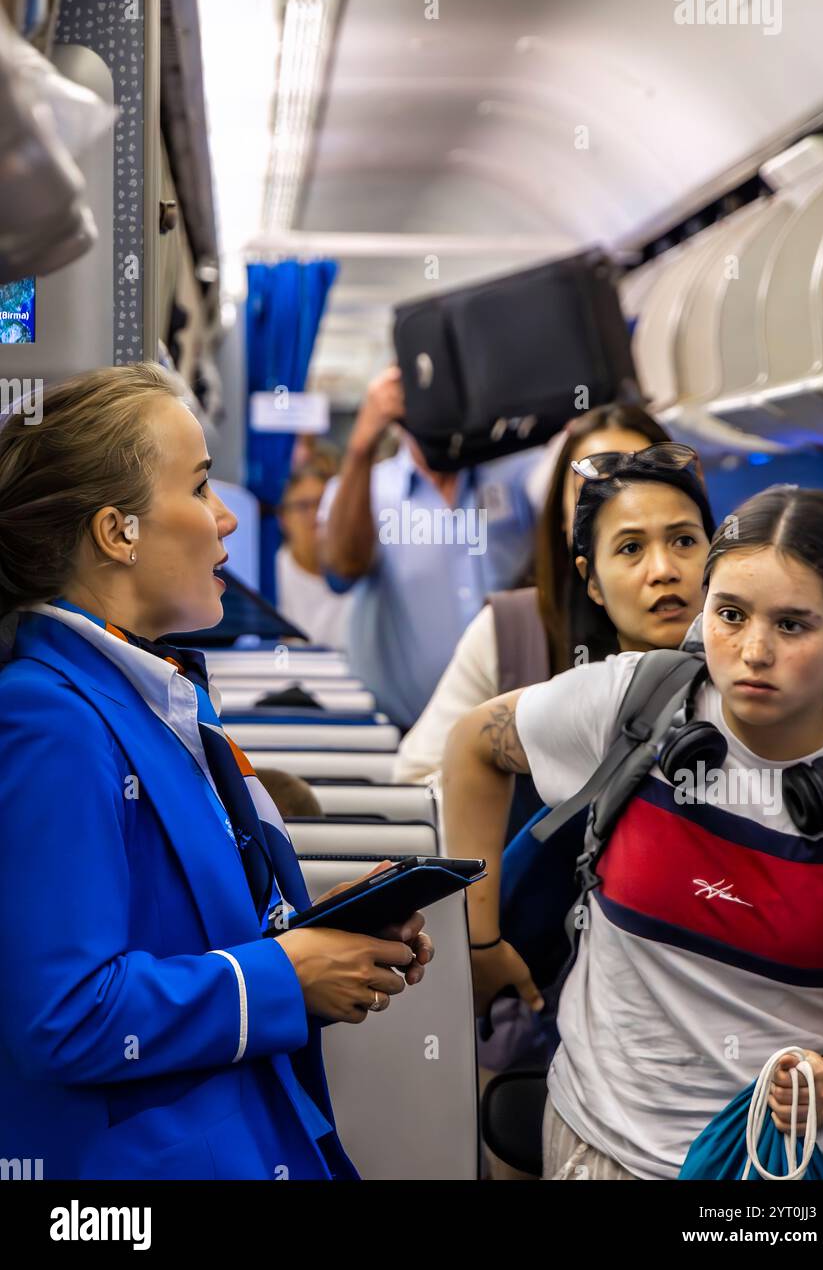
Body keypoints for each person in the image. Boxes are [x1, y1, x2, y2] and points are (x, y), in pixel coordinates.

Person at [0, 364, 433, 1181]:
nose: (228, 516)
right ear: (116, 532)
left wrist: (306, 935)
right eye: (200, 489)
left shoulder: (140, 692)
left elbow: (167, 935)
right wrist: (286, 974)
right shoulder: (48, 719)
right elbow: (63, 1014)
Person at [443, 484, 823, 1179]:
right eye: (729, 614)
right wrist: (480, 940)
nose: (753, 650)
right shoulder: (635, 703)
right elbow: (473, 744)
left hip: (793, 1163)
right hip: (599, 1143)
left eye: (792, 625)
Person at [393, 404, 674, 784]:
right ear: (562, 520)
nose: (625, 510)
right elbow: (417, 775)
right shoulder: (510, 632)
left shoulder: (727, 633)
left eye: (645, 487)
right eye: (595, 494)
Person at [320, 364, 541, 730]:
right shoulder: (371, 489)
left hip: (515, 728)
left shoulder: (516, 475)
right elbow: (341, 572)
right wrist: (361, 445)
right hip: (400, 732)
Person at [276, 466, 351, 648]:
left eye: (322, 503)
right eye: (303, 506)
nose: (315, 515)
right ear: (283, 519)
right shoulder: (271, 575)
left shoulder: (355, 572)